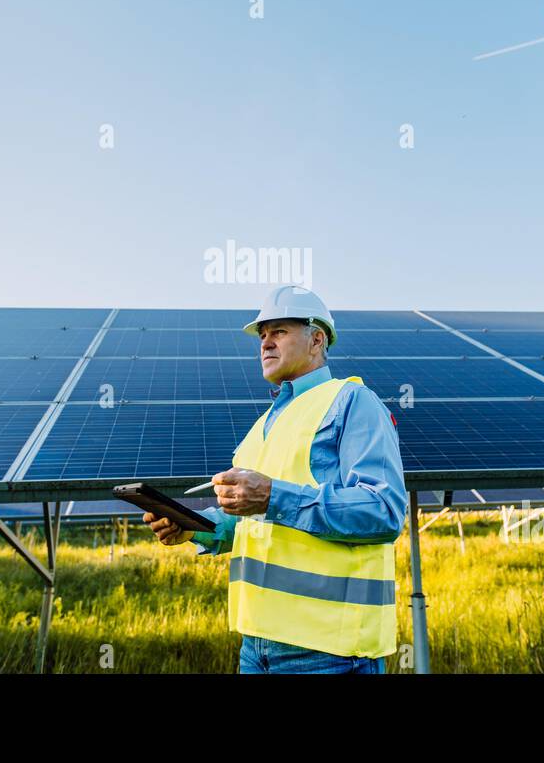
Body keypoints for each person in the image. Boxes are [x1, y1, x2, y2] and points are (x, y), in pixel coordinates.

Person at [144, 284, 406, 673]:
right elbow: (251, 525)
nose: (265, 343)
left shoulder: (352, 402)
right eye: (262, 335)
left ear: (317, 339)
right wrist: (194, 528)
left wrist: (272, 497)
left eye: (279, 331)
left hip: (329, 650)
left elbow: (383, 512)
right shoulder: (261, 427)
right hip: (256, 645)